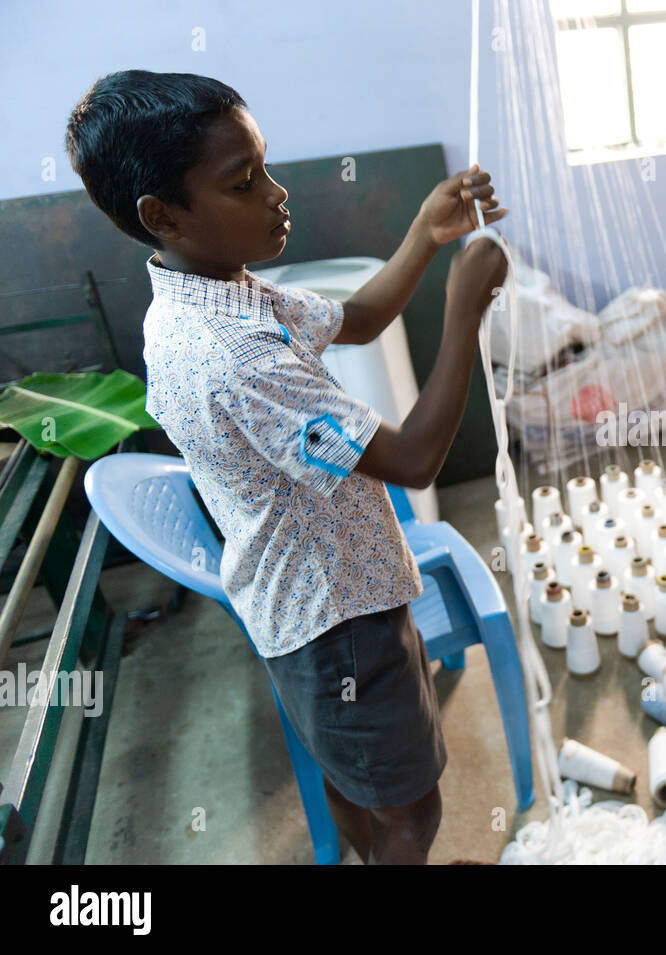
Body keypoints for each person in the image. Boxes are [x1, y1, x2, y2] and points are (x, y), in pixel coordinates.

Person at [66, 71, 509, 862]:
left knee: (354, 778)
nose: (276, 194)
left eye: (265, 166)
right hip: (339, 616)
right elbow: (410, 460)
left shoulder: (214, 292)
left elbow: (362, 318)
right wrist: (464, 311)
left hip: (305, 602)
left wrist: (425, 233)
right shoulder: (234, 354)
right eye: (243, 182)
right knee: (413, 812)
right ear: (162, 215)